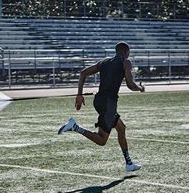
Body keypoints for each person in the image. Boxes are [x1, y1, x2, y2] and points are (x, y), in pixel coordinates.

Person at [57, 42, 145, 172]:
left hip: (99, 100)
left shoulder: (103, 62)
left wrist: (79, 95)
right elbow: (130, 85)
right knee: (102, 140)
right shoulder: (126, 62)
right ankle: (74, 127)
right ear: (126, 52)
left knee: (121, 128)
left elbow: (83, 73)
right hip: (109, 103)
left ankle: (129, 163)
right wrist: (140, 88)